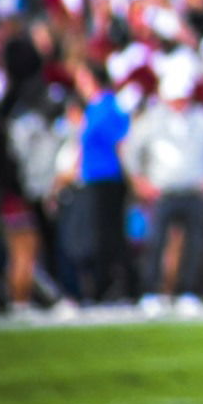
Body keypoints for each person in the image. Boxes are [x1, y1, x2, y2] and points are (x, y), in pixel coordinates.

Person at [124, 61, 203, 317]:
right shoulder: (152, 120)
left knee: (195, 244)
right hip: (162, 192)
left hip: (194, 191)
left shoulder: (202, 119)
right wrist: (140, 181)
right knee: (155, 243)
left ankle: (188, 291)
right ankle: (152, 292)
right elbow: (131, 152)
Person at [72, 63, 132, 302]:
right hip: (94, 178)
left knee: (108, 235)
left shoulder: (108, 106)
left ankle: (115, 288)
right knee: (98, 236)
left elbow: (121, 142)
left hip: (108, 178)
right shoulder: (93, 108)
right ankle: (104, 287)